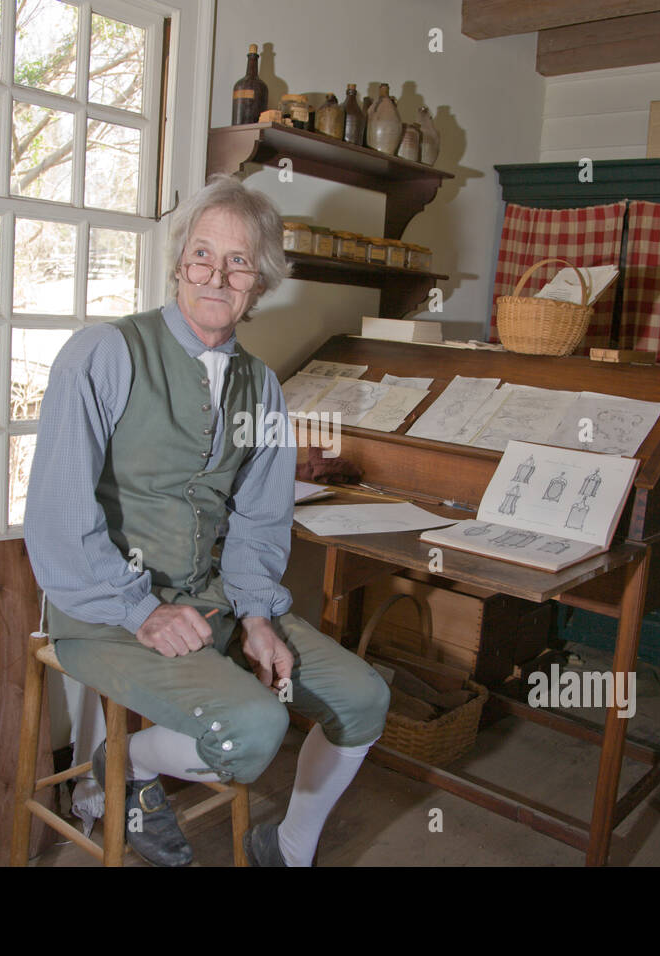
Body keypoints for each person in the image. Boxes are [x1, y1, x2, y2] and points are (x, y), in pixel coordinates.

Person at [24, 174, 390, 867]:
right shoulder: (102, 354)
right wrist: (142, 611)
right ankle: (122, 765)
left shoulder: (262, 388)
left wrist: (255, 615)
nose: (216, 276)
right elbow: (59, 518)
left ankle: (287, 850)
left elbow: (257, 522)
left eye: (239, 261)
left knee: (365, 697)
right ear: (177, 263)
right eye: (202, 255)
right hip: (105, 612)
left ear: (261, 281)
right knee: (255, 729)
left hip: (212, 601)